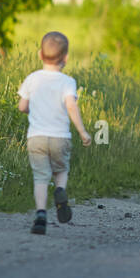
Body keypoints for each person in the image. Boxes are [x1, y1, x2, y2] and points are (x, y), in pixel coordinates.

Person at [18, 31, 91, 234]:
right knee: (60, 170)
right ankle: (60, 190)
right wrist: (83, 132)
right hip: (60, 138)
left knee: (40, 177)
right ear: (66, 58)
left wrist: (34, 107)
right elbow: (71, 107)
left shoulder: (32, 79)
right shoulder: (67, 82)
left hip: (36, 138)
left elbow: (22, 106)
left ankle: (41, 214)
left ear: (40, 54)